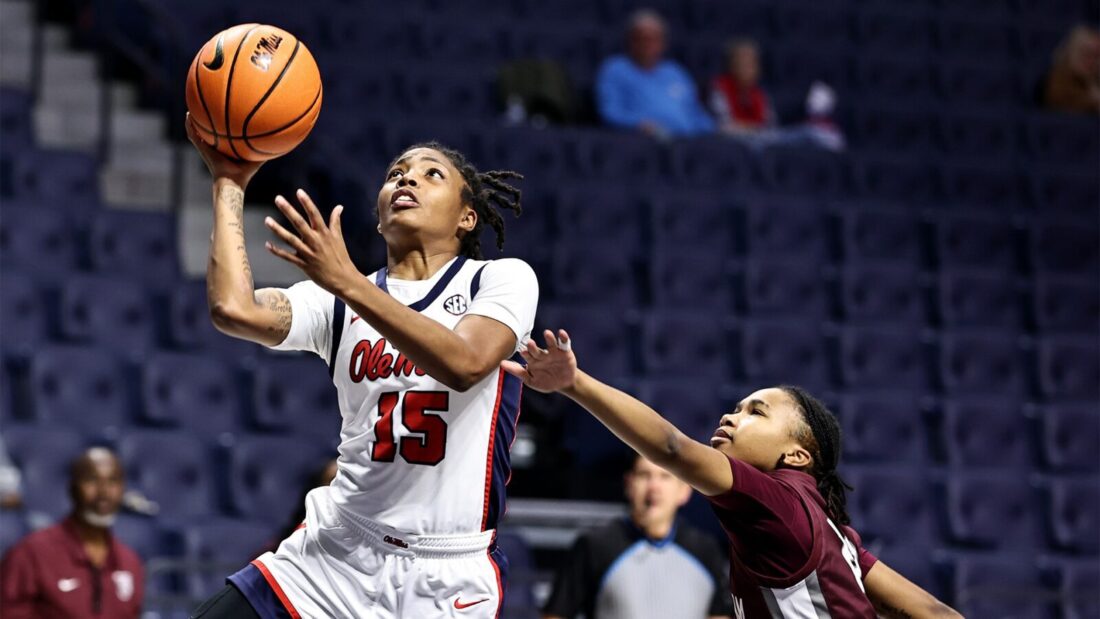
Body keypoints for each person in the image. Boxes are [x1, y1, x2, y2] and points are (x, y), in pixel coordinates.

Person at [184, 112, 539, 618]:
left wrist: (346, 281)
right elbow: (234, 310)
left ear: (467, 217)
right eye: (396, 173)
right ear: (378, 216)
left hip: (446, 573)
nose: (407, 178)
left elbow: (466, 363)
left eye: (431, 173)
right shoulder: (336, 300)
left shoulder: (500, 281)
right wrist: (229, 182)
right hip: (338, 548)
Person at [504, 331, 962, 618]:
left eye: (756, 412)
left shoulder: (776, 502)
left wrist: (574, 384)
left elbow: (671, 448)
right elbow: (935, 612)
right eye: (736, 407)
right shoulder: (833, 534)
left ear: (799, 455)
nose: (731, 416)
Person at [543, 454, 732, 619]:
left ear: (684, 490)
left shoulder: (706, 551)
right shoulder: (594, 546)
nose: (654, 487)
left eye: (665, 476)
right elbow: (557, 614)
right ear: (628, 483)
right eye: (644, 475)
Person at [0, 447, 144, 618]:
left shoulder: (130, 562)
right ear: (72, 487)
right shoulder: (31, 553)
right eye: (92, 480)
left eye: (113, 481)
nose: (103, 492)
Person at [595, 9, 715, 138]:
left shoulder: (675, 71)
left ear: (663, 43)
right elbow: (610, 112)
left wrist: (716, 127)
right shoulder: (615, 69)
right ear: (630, 41)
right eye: (643, 39)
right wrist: (638, 124)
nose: (648, 45)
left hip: (688, 140)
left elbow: (695, 113)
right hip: (644, 141)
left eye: (655, 39)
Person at [709, 39, 776, 135]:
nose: (747, 69)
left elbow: (771, 127)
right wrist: (753, 128)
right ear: (731, 66)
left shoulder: (759, 94)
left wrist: (747, 127)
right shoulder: (719, 88)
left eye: (751, 64)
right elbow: (721, 126)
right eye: (742, 63)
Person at [1040, 24, 1100, 115]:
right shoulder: (1057, 79)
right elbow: (1060, 101)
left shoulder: (1095, 78)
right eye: (1087, 54)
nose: (1092, 62)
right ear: (1071, 53)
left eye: (1096, 56)